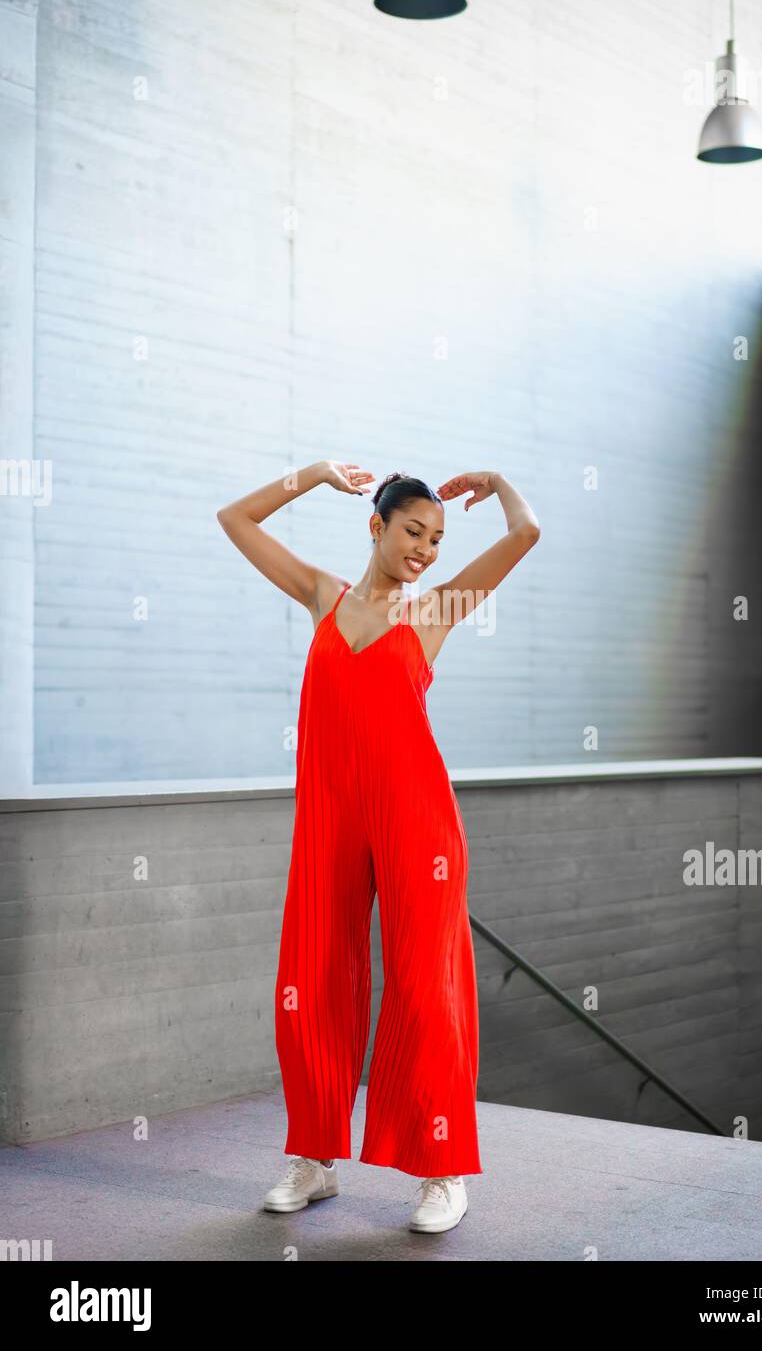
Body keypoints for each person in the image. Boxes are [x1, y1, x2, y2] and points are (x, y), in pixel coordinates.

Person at [217, 461, 540, 1233]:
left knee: (427, 991)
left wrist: (497, 483)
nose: (425, 549)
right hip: (330, 817)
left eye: (435, 538)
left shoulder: (436, 611)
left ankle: (443, 1171)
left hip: (416, 823)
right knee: (311, 978)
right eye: (412, 531)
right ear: (376, 526)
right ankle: (314, 1158)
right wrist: (315, 476)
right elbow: (235, 520)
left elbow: (526, 534)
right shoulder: (324, 596)